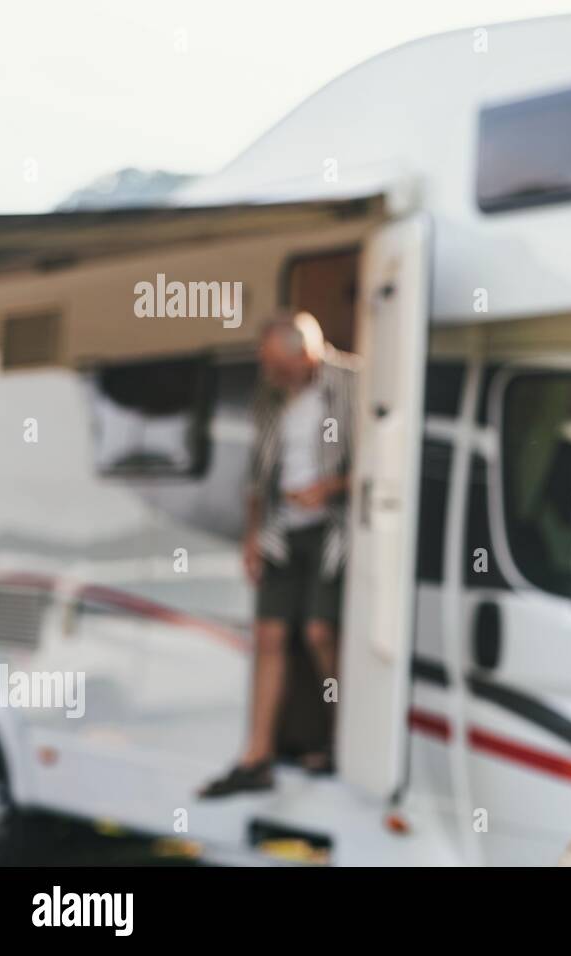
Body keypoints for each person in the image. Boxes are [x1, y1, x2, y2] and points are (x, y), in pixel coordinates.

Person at [199, 309, 357, 798]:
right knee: (268, 637)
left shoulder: (353, 383)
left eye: (277, 365)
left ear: (306, 353)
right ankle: (257, 756)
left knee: (319, 632)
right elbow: (255, 475)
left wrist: (331, 487)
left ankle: (346, 742)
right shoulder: (271, 397)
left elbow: (382, 461)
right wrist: (251, 537)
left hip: (331, 528)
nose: (270, 374)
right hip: (281, 530)